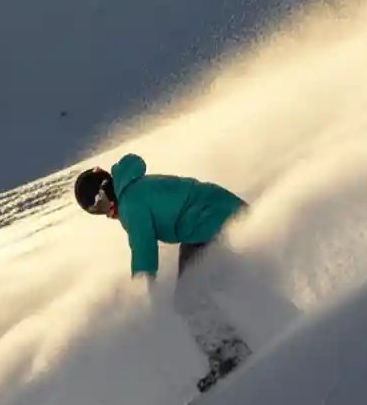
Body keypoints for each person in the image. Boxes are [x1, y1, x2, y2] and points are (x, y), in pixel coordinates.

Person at [74, 153, 252, 392]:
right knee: (219, 283)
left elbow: (144, 247)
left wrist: (141, 288)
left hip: (208, 220)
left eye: (98, 206)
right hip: (210, 217)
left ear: (104, 191)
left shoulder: (131, 203)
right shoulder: (133, 191)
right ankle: (235, 347)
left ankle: (231, 353)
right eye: (95, 212)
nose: (104, 214)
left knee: (188, 298)